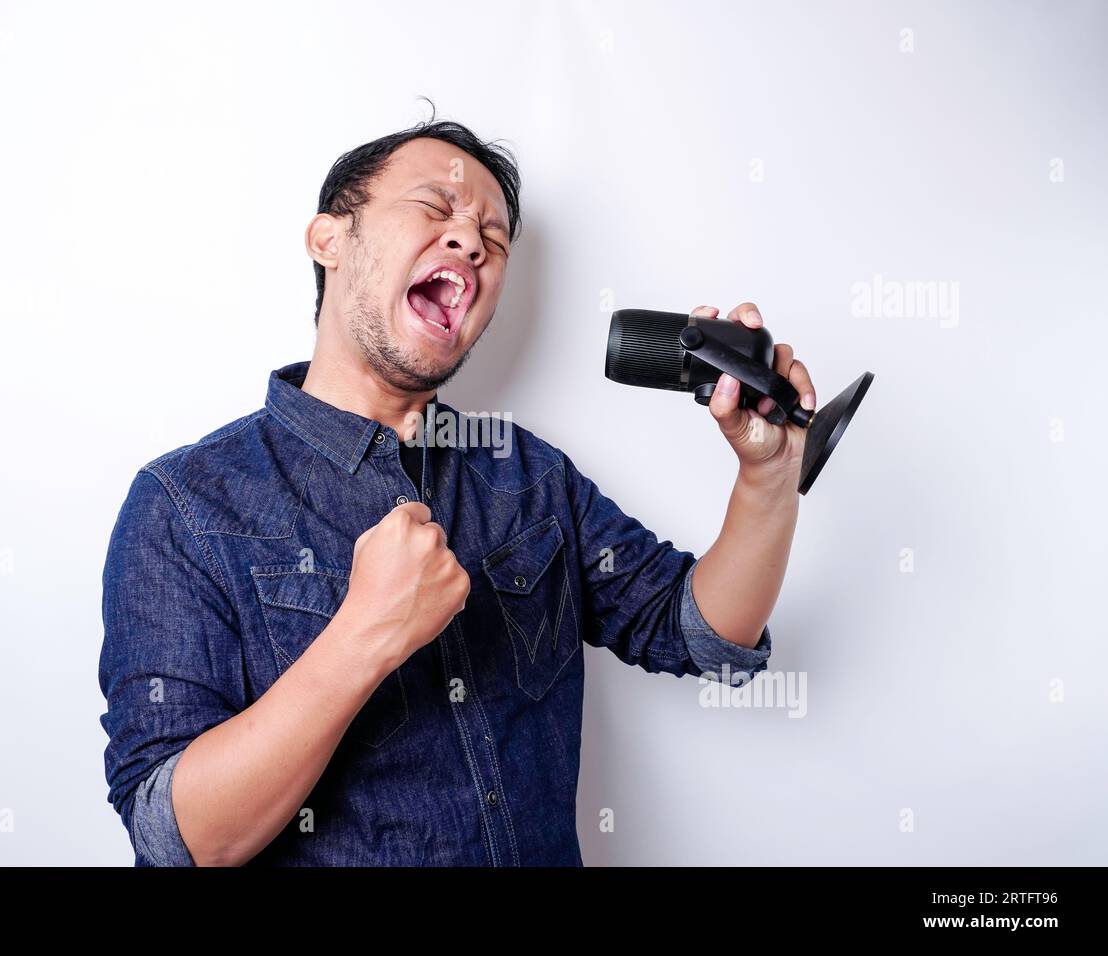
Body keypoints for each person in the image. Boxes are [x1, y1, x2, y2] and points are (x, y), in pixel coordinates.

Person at [98, 112, 817, 866]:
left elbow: (706, 637)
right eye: (436, 209)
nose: (471, 240)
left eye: (494, 240)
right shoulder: (184, 505)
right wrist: (362, 636)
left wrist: (769, 478)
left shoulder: (527, 474)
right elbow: (178, 839)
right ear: (330, 240)